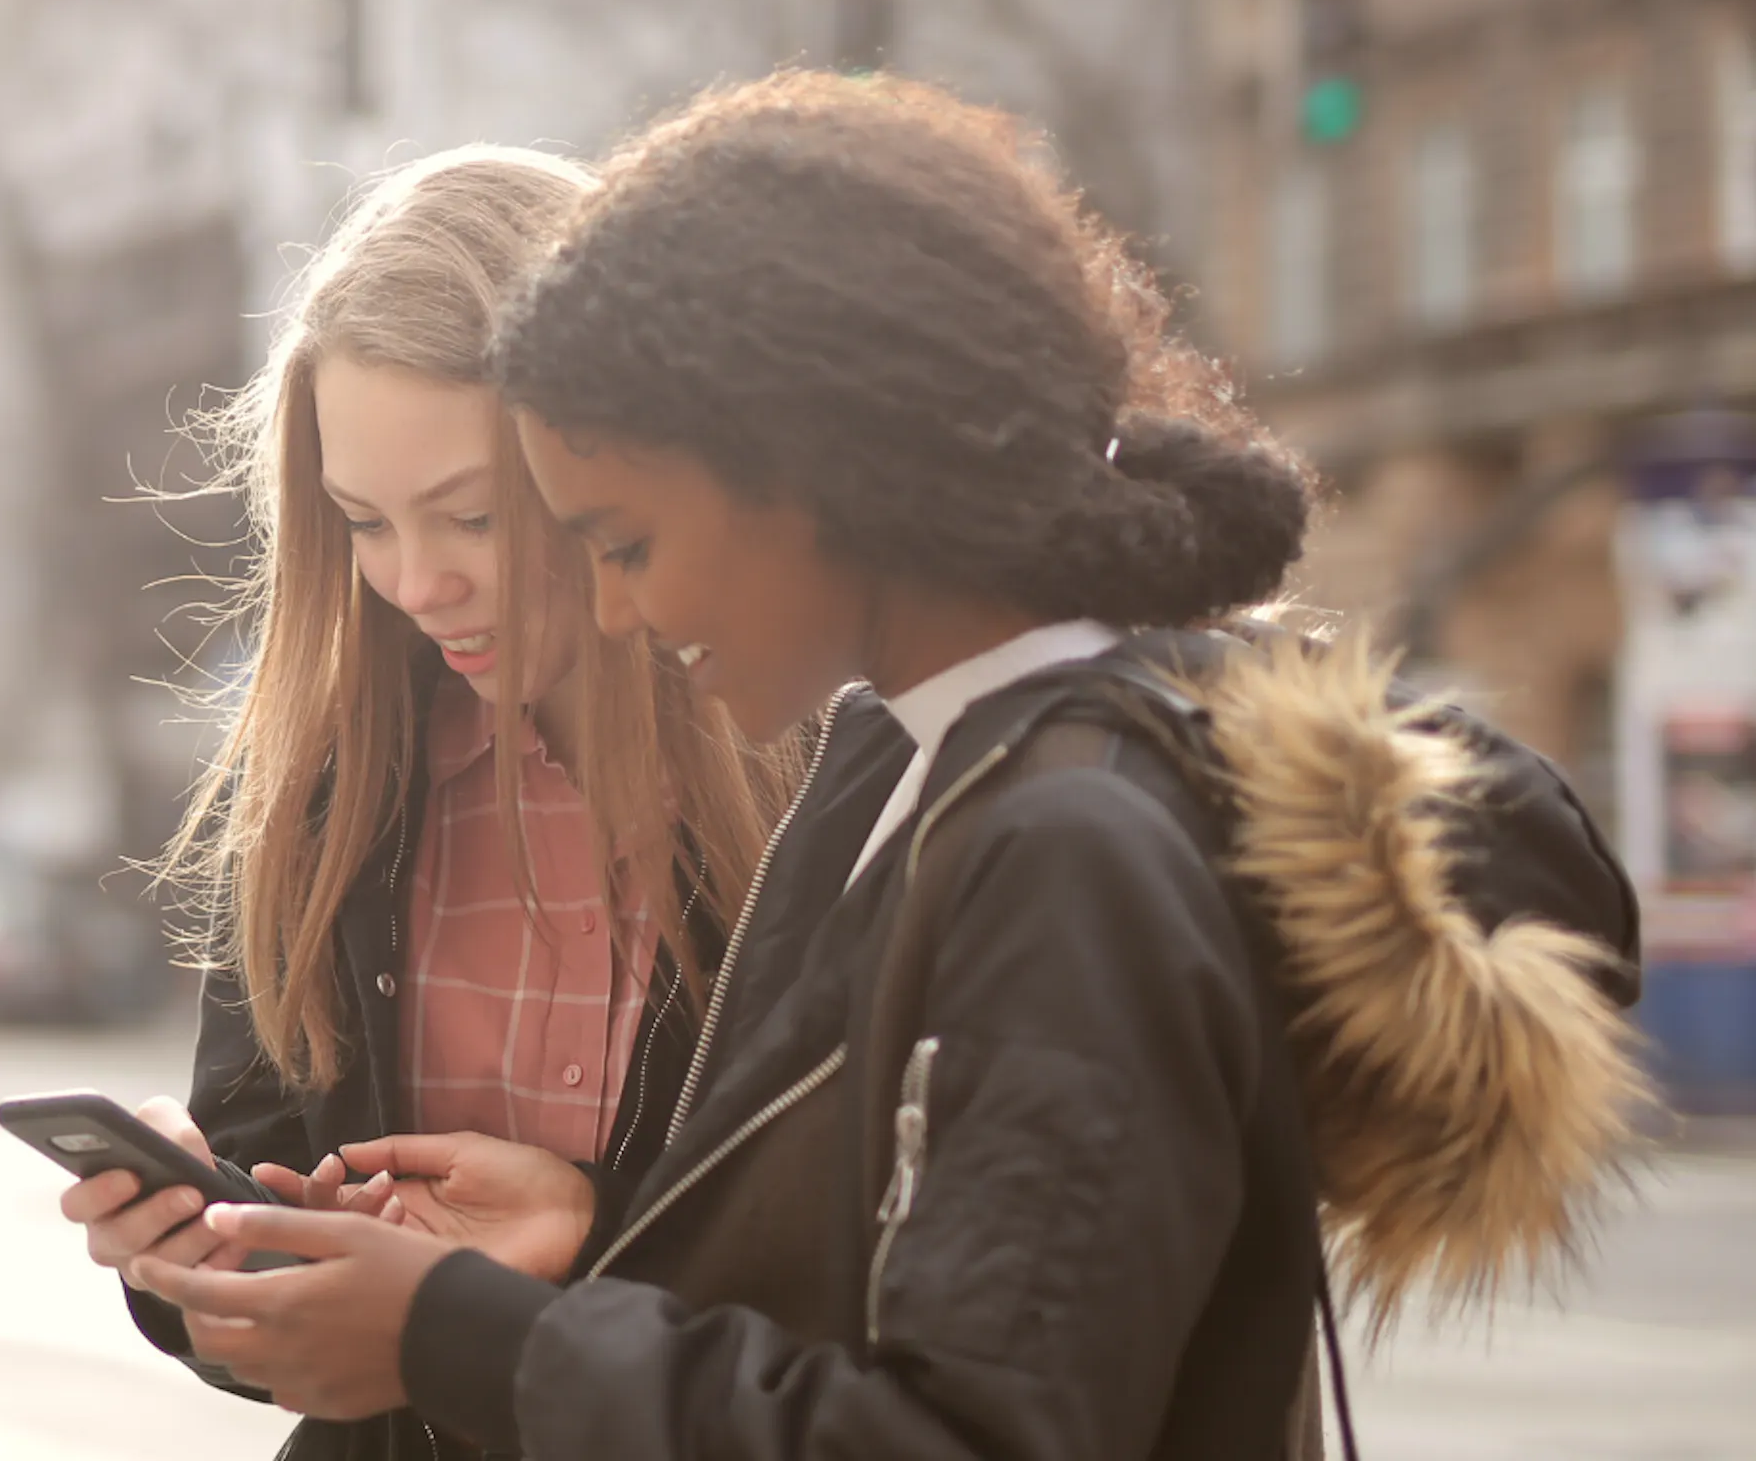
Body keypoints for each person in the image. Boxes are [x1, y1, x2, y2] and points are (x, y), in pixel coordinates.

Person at [126, 72, 1646, 1458]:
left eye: (616, 539)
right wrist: (570, 1250)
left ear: (804, 476)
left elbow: (958, 1422)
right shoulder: (914, 773)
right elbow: (851, 1293)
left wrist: (469, 1326)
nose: (604, 602)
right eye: (368, 523)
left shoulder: (1047, 833)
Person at [67, 146, 785, 1461]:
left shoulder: (803, 775)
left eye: (471, 519)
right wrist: (191, 1259)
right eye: (364, 522)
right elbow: (287, 1323)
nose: (416, 583)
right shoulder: (332, 791)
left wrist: (575, 1235)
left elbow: (864, 1304)